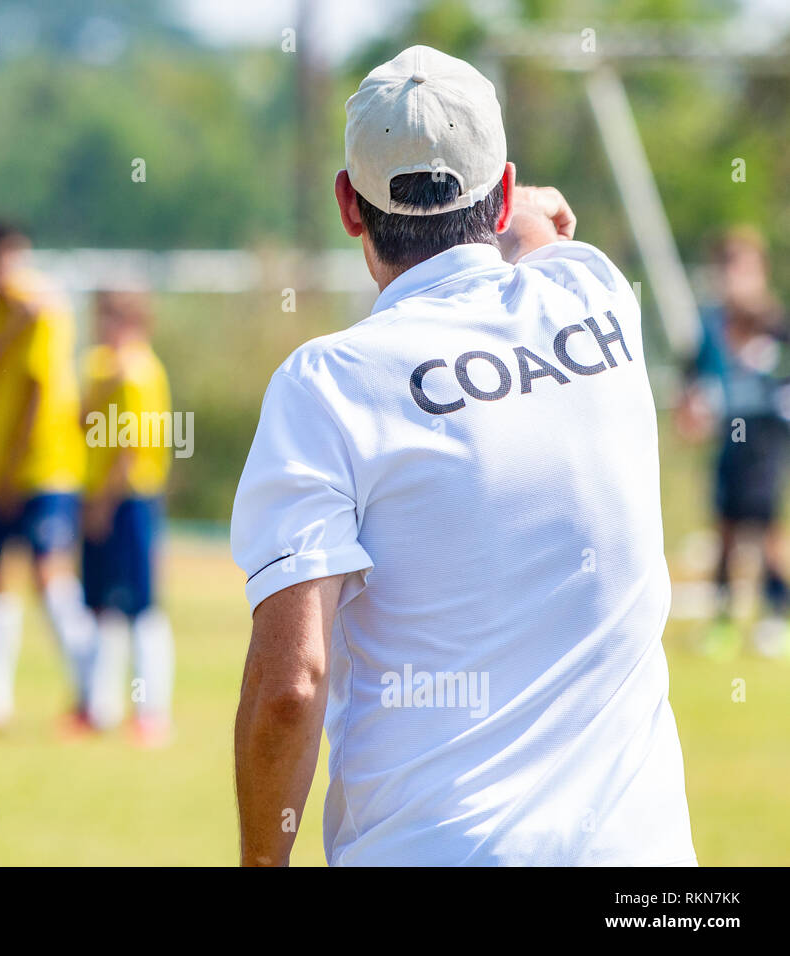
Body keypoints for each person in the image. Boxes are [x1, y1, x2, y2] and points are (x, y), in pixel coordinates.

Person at [231, 46, 695, 866]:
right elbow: (539, 225)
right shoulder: (595, 294)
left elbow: (291, 685)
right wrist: (519, 200)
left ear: (349, 204)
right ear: (504, 187)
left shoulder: (326, 384)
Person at [0, 222, 94, 733]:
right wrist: (9, 330)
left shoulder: (47, 308)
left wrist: (11, 469)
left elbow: (35, 391)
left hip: (43, 468)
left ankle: (92, 696)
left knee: (48, 574)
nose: (7, 271)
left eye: (15, 258)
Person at [677, 227, 789, 659]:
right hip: (729, 435)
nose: (733, 277)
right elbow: (692, 383)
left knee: (765, 526)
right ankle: (722, 621)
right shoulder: (709, 326)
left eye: (741, 267)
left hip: (767, 435)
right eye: (726, 267)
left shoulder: (776, 324)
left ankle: (775, 616)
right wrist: (691, 412)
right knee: (724, 526)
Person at [79, 290, 175, 744]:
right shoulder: (104, 369)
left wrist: (101, 505)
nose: (101, 328)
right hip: (101, 496)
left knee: (141, 605)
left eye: (110, 319)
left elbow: (130, 449)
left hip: (129, 500)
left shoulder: (138, 373)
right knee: (102, 605)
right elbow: (81, 422)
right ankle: (99, 708)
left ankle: (151, 711)